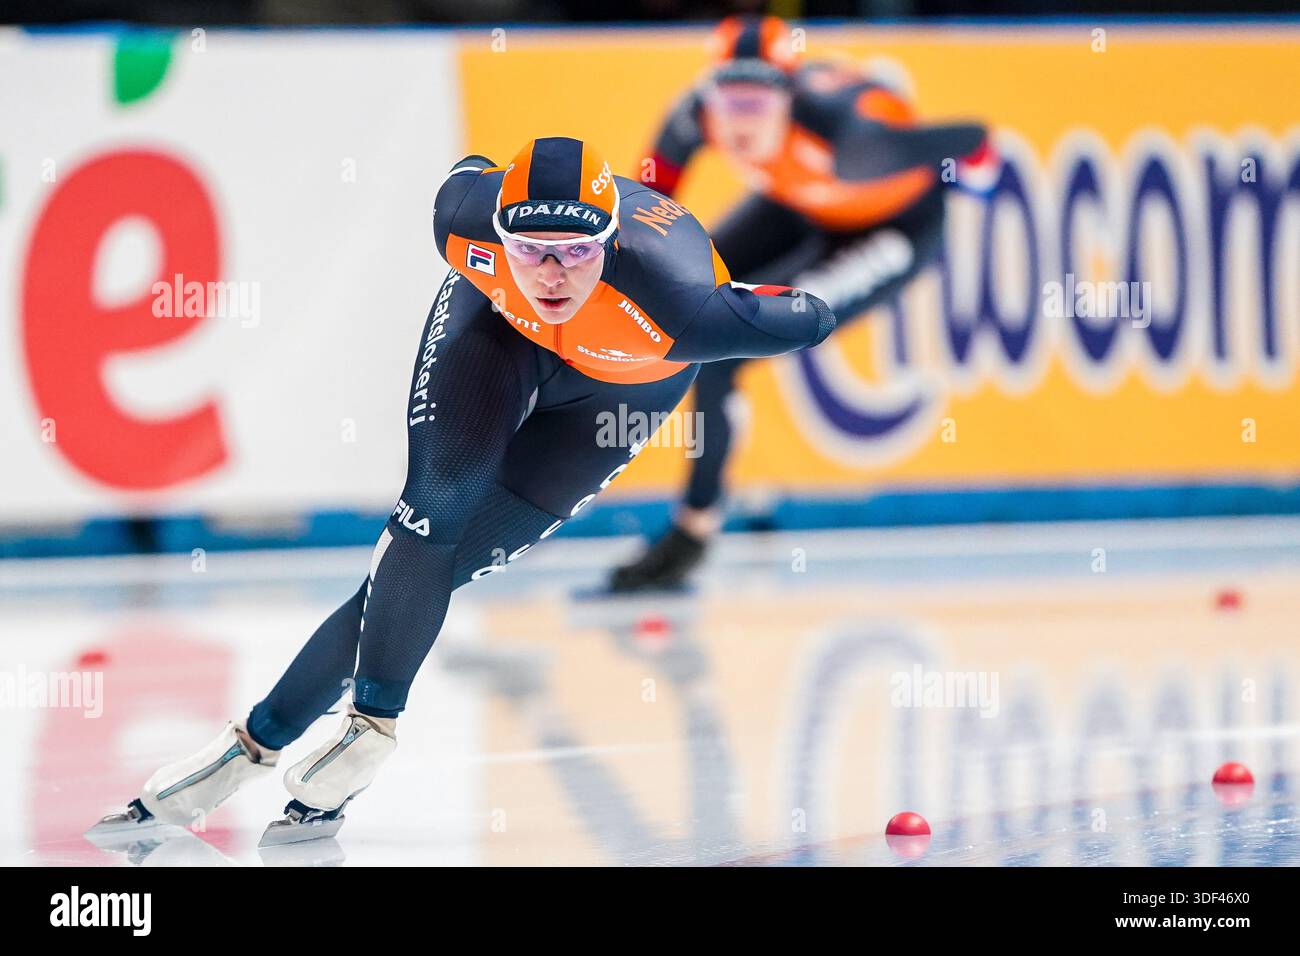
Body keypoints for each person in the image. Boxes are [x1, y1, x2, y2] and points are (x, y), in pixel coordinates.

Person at [88, 136, 837, 846]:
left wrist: (768, 291)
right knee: (428, 520)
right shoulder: (460, 223)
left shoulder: (684, 304)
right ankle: (354, 731)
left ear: (608, 242)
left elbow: (813, 315)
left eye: (575, 253)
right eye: (530, 251)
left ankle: (257, 746)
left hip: (616, 398)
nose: (551, 276)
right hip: (495, 338)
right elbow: (469, 169)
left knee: (421, 578)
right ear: (496, 236)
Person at [609, 15, 992, 592]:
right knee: (673, 302)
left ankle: (693, 531)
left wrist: (979, 171)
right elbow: (641, 220)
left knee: (723, 347)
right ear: (706, 91)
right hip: (801, 206)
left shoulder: (849, 136)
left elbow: (970, 138)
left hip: (892, 227)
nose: (739, 119)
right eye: (728, 99)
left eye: (758, 101)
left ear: (790, 97)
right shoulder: (691, 119)